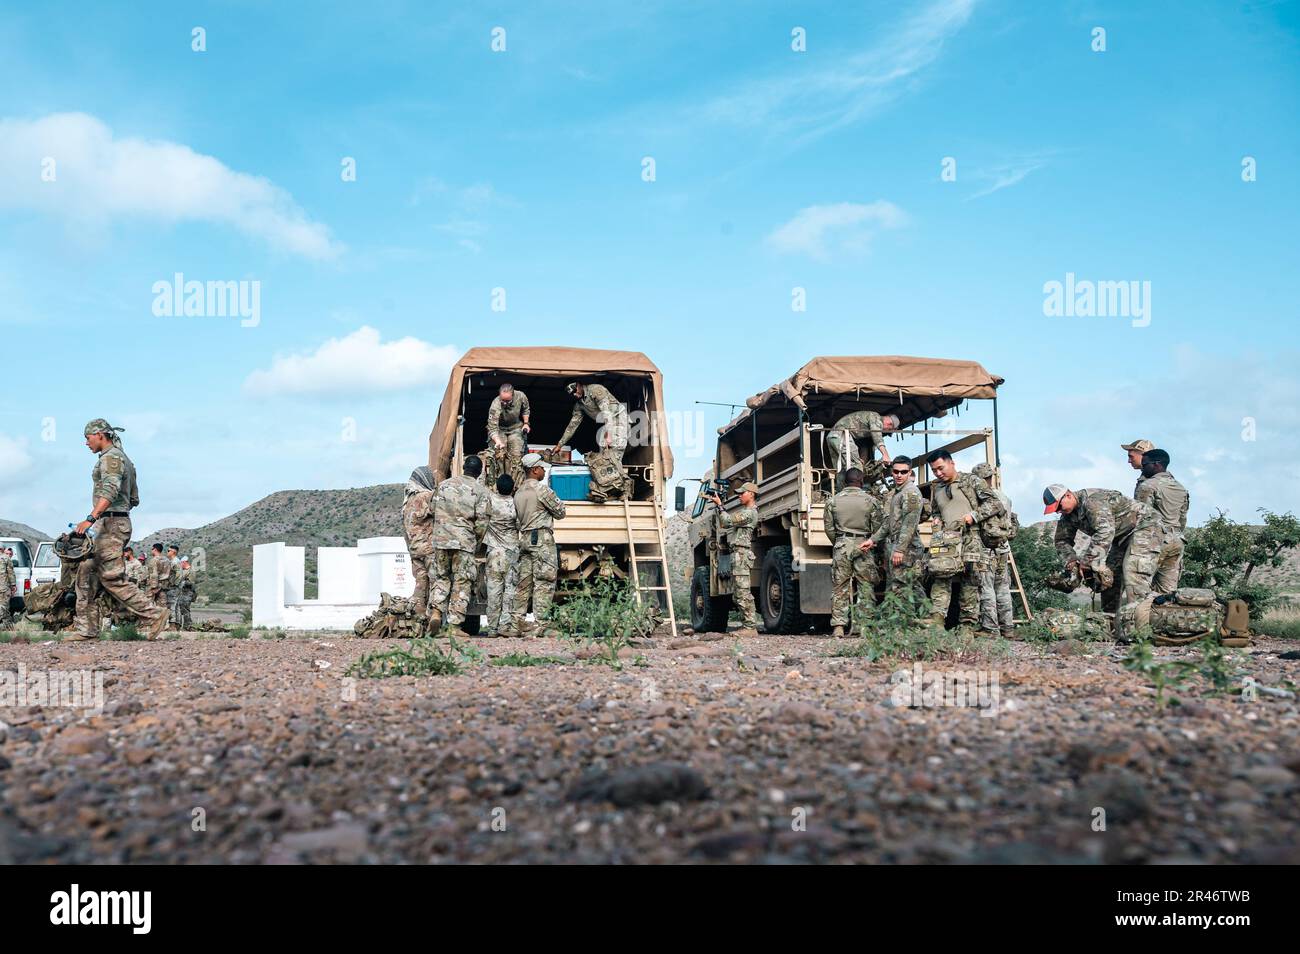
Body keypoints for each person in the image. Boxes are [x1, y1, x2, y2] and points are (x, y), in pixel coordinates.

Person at [65, 419, 167, 641]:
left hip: (111, 524)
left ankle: (154, 615)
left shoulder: (112, 458)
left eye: (87, 438)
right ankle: (87, 629)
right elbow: (134, 499)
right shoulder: (124, 459)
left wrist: (90, 519)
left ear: (100, 434)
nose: (86, 443)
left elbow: (110, 490)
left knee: (111, 577)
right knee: (87, 571)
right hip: (112, 522)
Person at [1043, 483, 1164, 640]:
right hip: (1120, 538)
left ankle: (1142, 632)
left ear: (1068, 495)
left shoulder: (1093, 502)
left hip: (1146, 527)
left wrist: (1087, 562)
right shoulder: (1068, 515)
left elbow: (1104, 532)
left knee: (1134, 574)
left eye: (1059, 506)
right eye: (1056, 510)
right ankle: (1111, 630)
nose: (1059, 511)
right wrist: (1071, 561)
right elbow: (1061, 541)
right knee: (1108, 578)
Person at [925, 450, 1006, 633]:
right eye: (934, 470)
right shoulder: (936, 487)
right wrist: (936, 519)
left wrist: (974, 516)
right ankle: (937, 623)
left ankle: (967, 627)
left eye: (940, 468)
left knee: (970, 581)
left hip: (971, 538)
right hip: (946, 540)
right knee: (940, 578)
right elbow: (936, 510)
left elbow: (995, 504)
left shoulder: (971, 481)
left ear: (951, 463)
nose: (938, 473)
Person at [429, 455, 489, 636]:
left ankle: (436, 613)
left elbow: (432, 509)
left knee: (441, 578)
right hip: (463, 542)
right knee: (462, 582)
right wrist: (476, 542)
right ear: (479, 472)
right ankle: (454, 627)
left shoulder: (444, 485)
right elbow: (482, 524)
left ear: (463, 467)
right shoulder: (480, 491)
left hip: (441, 540)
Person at [824, 468, 884, 637]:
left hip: (842, 545)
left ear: (845, 482)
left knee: (839, 586)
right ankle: (865, 626)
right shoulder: (870, 501)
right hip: (864, 545)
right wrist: (872, 543)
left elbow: (829, 528)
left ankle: (838, 627)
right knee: (866, 585)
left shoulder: (833, 501)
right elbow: (878, 527)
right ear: (861, 480)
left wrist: (839, 542)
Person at [512, 453, 567, 637]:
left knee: (524, 583)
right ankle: (541, 624)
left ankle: (517, 622)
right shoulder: (542, 490)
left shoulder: (518, 492)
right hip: (541, 539)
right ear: (534, 470)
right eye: (542, 468)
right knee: (544, 581)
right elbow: (560, 512)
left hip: (525, 538)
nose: (544, 470)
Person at [553, 381, 630, 503]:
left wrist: (608, 434)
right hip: (607, 426)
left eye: (574, 391)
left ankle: (625, 490)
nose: (574, 395)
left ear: (579, 385)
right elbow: (572, 426)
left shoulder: (595, 390)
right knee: (605, 458)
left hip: (618, 421)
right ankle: (611, 490)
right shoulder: (579, 404)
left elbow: (607, 413)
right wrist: (560, 444)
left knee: (613, 457)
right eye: (571, 394)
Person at [869, 455, 925, 604]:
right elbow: (889, 523)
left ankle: (919, 620)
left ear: (909, 472)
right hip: (900, 545)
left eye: (903, 472)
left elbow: (909, 523)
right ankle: (923, 619)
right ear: (892, 472)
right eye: (896, 471)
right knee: (907, 586)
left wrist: (900, 549)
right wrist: (873, 540)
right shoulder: (897, 493)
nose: (899, 475)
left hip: (907, 548)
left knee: (903, 586)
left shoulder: (910, 493)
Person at [708, 481, 760, 634]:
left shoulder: (750, 513)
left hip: (742, 554)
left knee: (743, 591)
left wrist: (720, 505)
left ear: (751, 494)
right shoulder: (747, 511)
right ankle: (747, 626)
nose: (739, 496)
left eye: (742, 493)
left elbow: (726, 521)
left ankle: (750, 627)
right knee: (738, 592)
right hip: (738, 554)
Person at [972, 463, 1017, 639]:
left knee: (986, 587)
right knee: (1003, 588)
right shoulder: (1005, 497)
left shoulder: (982, 498)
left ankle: (990, 629)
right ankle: (1008, 628)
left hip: (987, 548)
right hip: (1004, 547)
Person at [1135, 449, 1189, 595]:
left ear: (1157, 465)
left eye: (1145, 464)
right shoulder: (1181, 488)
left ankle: (1138, 618)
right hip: (1177, 541)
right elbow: (1182, 518)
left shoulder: (1147, 486)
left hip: (1155, 541)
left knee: (1139, 588)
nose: (1143, 467)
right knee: (1167, 593)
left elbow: (1141, 517)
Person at [483, 474, 520, 636]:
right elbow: (520, 524)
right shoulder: (515, 504)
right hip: (511, 553)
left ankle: (492, 628)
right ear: (513, 488)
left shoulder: (490, 501)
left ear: (496, 487)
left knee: (493, 591)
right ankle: (505, 626)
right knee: (510, 590)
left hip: (493, 552)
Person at [826, 410, 898, 488]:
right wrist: (885, 455)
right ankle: (857, 494)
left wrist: (856, 457)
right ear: (889, 424)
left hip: (832, 436)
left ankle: (840, 493)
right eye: (888, 430)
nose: (885, 432)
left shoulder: (871, 417)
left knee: (841, 469)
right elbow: (877, 437)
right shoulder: (876, 418)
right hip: (842, 436)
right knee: (856, 467)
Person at [401, 466, 437, 618]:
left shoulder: (407, 501)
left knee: (420, 582)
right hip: (428, 548)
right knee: (436, 581)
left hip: (414, 548)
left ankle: (417, 617)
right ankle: (434, 615)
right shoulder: (426, 497)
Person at [486, 383, 531, 487]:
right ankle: (499, 485)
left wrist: (526, 423)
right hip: (499, 429)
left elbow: (526, 409)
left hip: (515, 428)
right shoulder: (495, 404)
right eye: (503, 400)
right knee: (499, 456)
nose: (505, 403)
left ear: (513, 395)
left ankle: (516, 485)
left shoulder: (521, 396)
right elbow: (492, 427)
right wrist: (498, 442)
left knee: (516, 456)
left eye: (507, 401)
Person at [146, 543, 170, 611]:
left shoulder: (154, 560)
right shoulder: (167, 560)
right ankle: (162, 621)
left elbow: (154, 574)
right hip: (164, 586)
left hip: (155, 586)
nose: (151, 550)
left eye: (152, 549)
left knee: (148, 606)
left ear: (155, 549)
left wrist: (153, 588)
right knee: (162, 607)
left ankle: (149, 621)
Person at [175, 557, 196, 630]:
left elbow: (191, 583)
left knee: (186, 609)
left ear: (184, 562)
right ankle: (182, 625)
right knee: (181, 609)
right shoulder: (184, 571)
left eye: (181, 563)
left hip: (188, 593)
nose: (180, 565)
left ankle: (188, 625)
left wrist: (183, 582)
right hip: (182, 593)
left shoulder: (191, 571)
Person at [165, 544, 182, 627]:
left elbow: (179, 575)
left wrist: (174, 584)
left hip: (174, 587)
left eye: (168, 551)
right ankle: (177, 625)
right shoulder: (174, 561)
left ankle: (172, 625)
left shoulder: (175, 561)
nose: (167, 552)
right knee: (176, 606)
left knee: (171, 605)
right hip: (175, 587)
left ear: (173, 552)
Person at [0, 546, 14, 629]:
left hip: (3, 587)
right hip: (4, 587)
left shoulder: (5, 558)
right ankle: (8, 627)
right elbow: (10, 573)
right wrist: (13, 585)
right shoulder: (6, 558)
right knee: (4, 606)